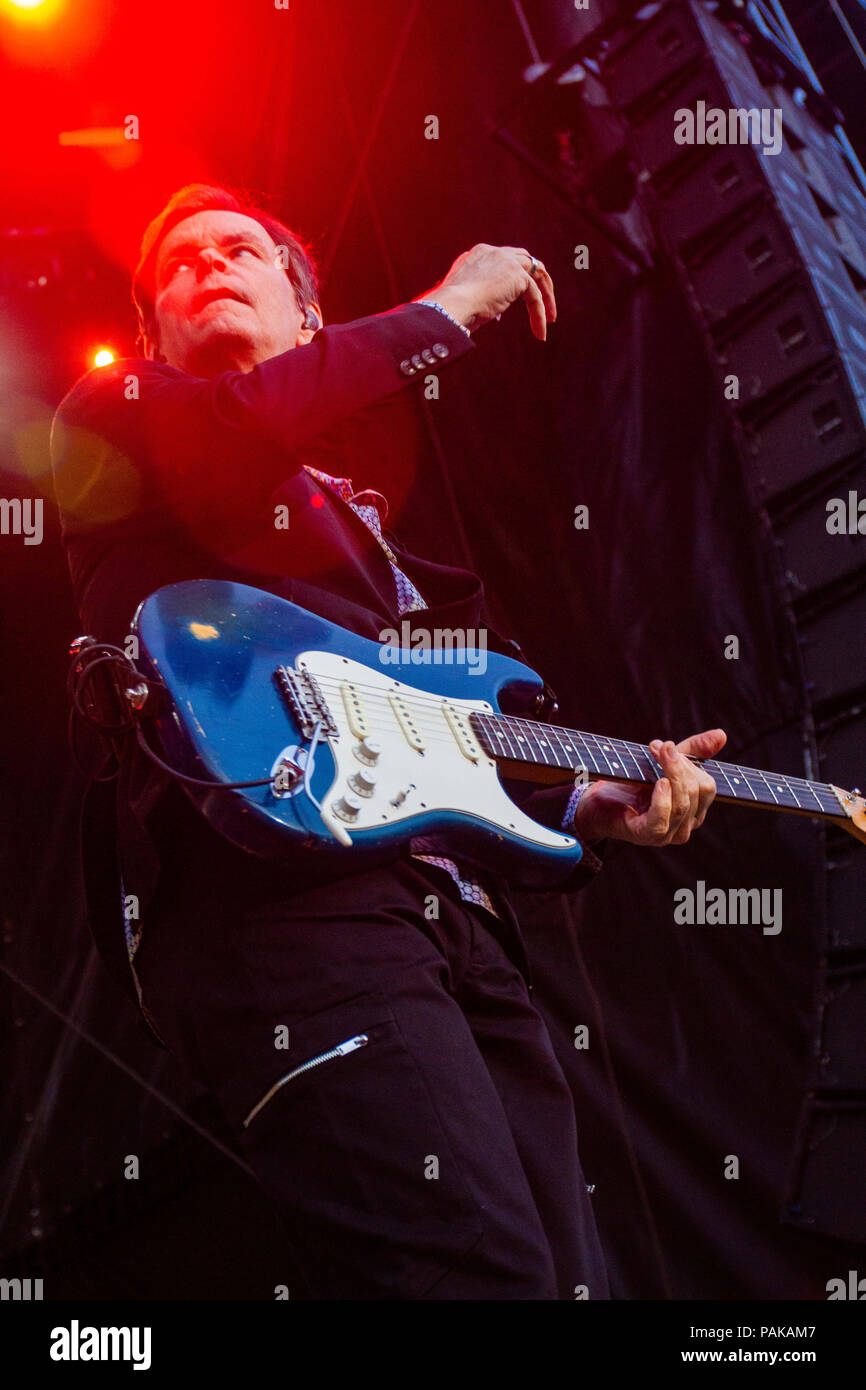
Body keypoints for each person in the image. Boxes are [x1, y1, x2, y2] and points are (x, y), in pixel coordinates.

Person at [50, 183, 724, 1300]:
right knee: (468, 1275)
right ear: (151, 336)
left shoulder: (371, 551)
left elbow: (444, 758)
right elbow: (235, 426)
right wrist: (450, 305)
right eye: (178, 265)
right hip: (284, 915)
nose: (207, 266)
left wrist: (577, 810)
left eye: (240, 249)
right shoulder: (117, 420)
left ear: (306, 314)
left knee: (562, 1282)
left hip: (457, 931)